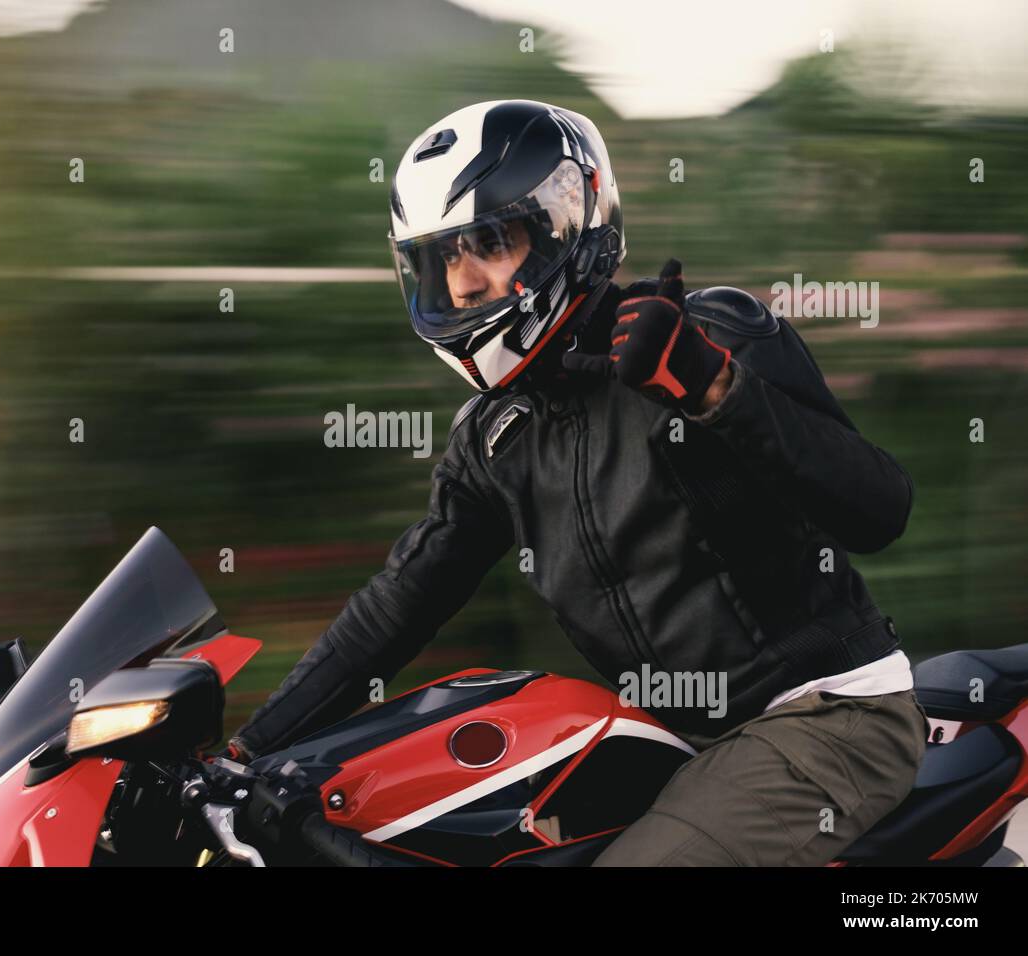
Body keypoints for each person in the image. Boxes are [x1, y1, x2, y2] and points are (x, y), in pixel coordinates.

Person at [226, 99, 928, 865]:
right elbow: (399, 604)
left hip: (824, 715)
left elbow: (880, 509)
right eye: (440, 259)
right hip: (663, 736)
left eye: (487, 243)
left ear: (568, 221)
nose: (460, 285)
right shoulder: (496, 439)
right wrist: (245, 753)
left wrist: (715, 389)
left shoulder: (709, 335)